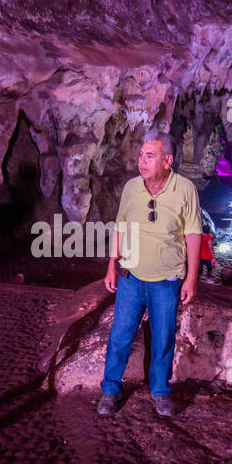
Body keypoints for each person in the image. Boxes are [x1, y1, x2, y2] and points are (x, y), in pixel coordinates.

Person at [98, 130, 202, 418]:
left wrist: (192, 276)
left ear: (167, 160)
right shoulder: (132, 188)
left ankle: (160, 391)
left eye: (150, 156)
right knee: (119, 335)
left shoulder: (185, 190)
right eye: (141, 155)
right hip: (131, 277)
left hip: (167, 281)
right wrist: (111, 264)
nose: (141, 161)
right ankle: (110, 389)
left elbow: (193, 233)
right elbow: (120, 226)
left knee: (163, 337)